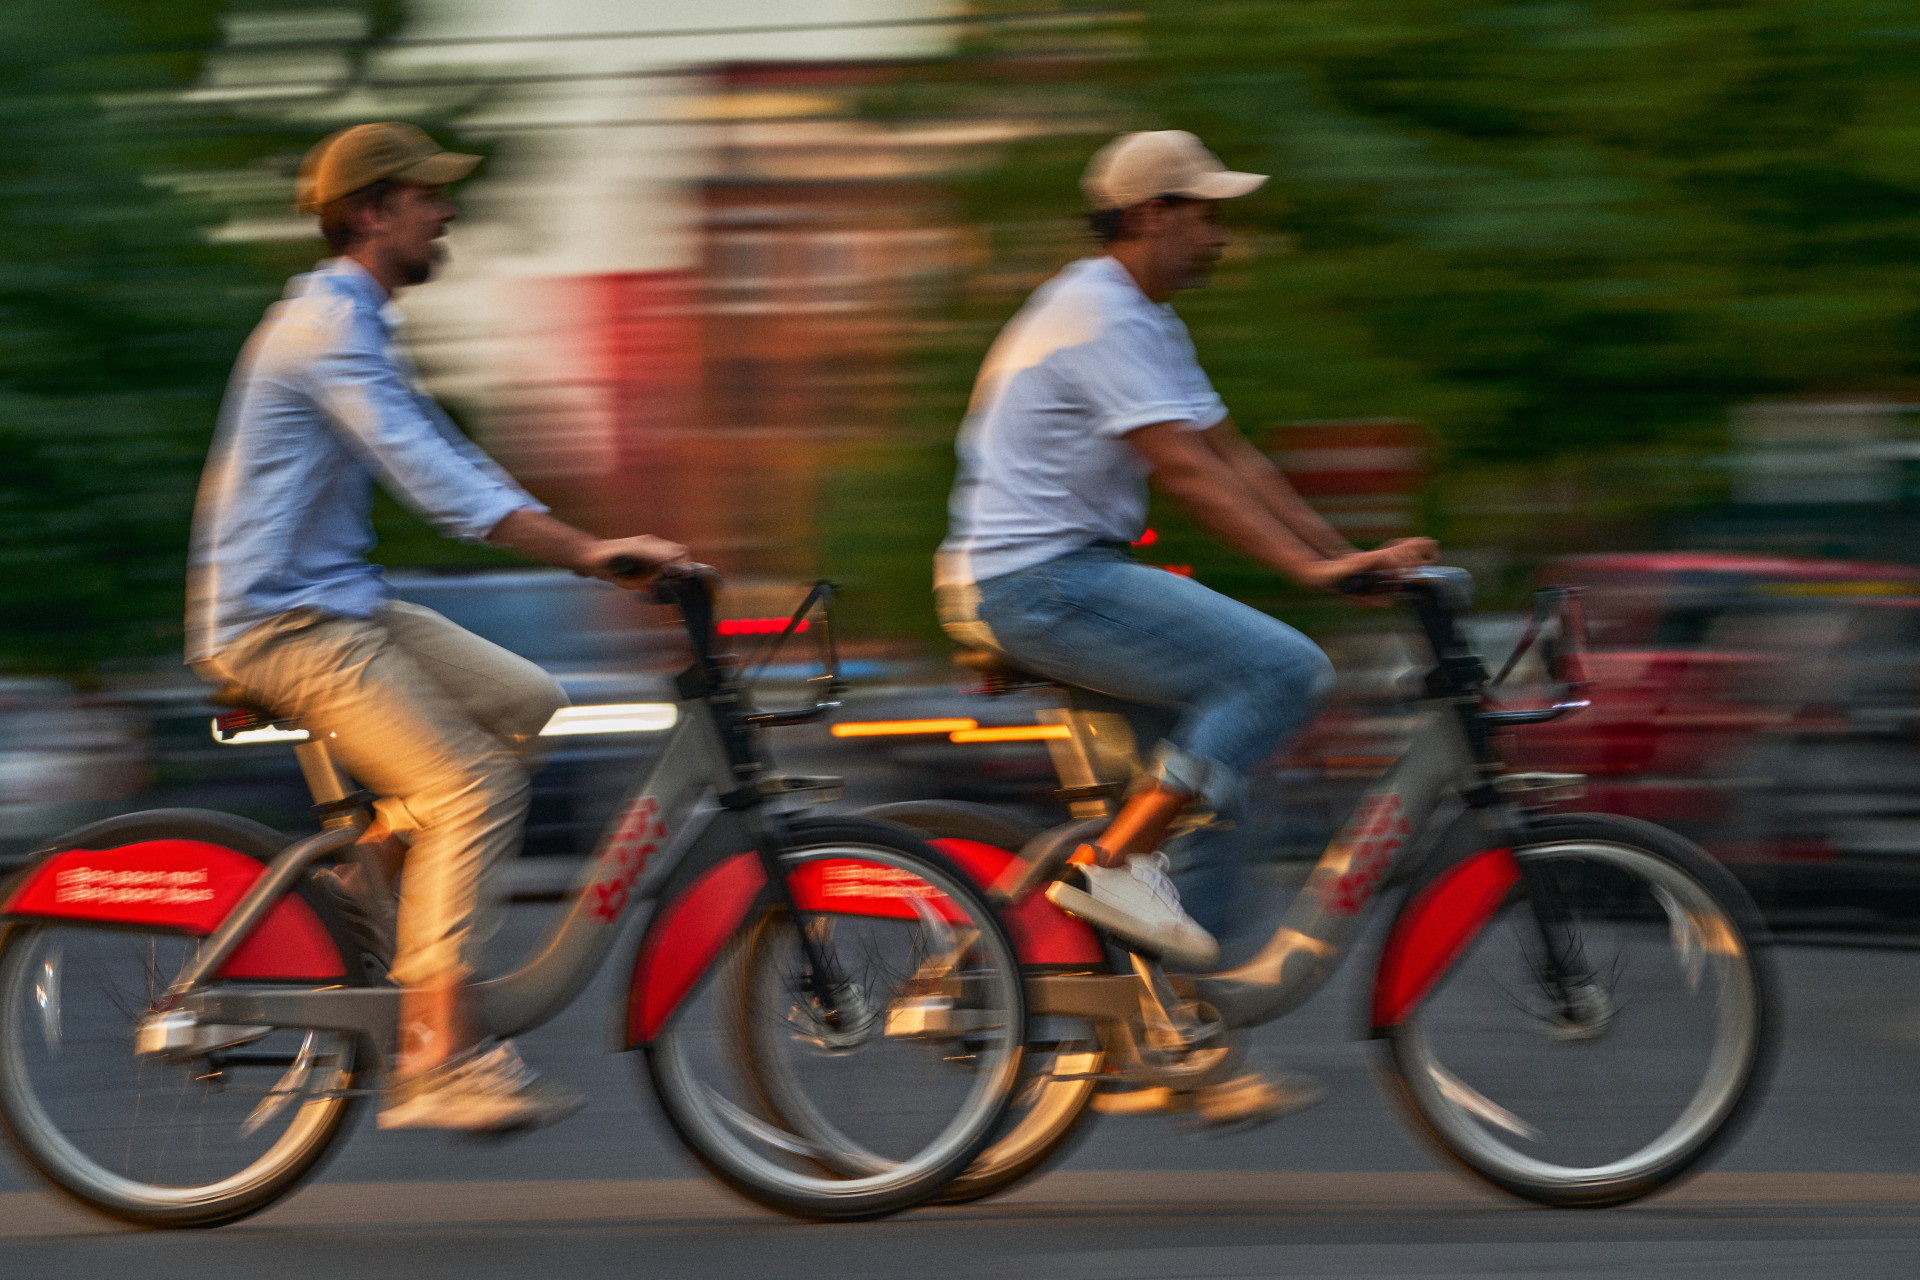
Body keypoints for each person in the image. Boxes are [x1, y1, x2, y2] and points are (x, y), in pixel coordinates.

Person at [186, 123, 688, 1132]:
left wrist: (592, 542)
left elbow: (451, 455)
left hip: (341, 602)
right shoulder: (325, 329)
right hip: (280, 622)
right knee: (473, 785)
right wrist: (589, 551)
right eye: (428, 196)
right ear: (374, 212)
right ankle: (435, 1055)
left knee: (530, 701)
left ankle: (360, 884)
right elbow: (438, 483)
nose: (447, 211)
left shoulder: (358, 322)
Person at [935, 130, 1437, 1079]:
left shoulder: (1144, 319)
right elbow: (1188, 473)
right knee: (1286, 672)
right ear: (1151, 215)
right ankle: (1112, 870)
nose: (1220, 235)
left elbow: (1232, 456)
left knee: (1220, 793)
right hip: (1038, 581)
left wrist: (1342, 558)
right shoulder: (1099, 315)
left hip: (1048, 575)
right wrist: (1307, 574)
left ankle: (1168, 1032)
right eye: (1206, 214)